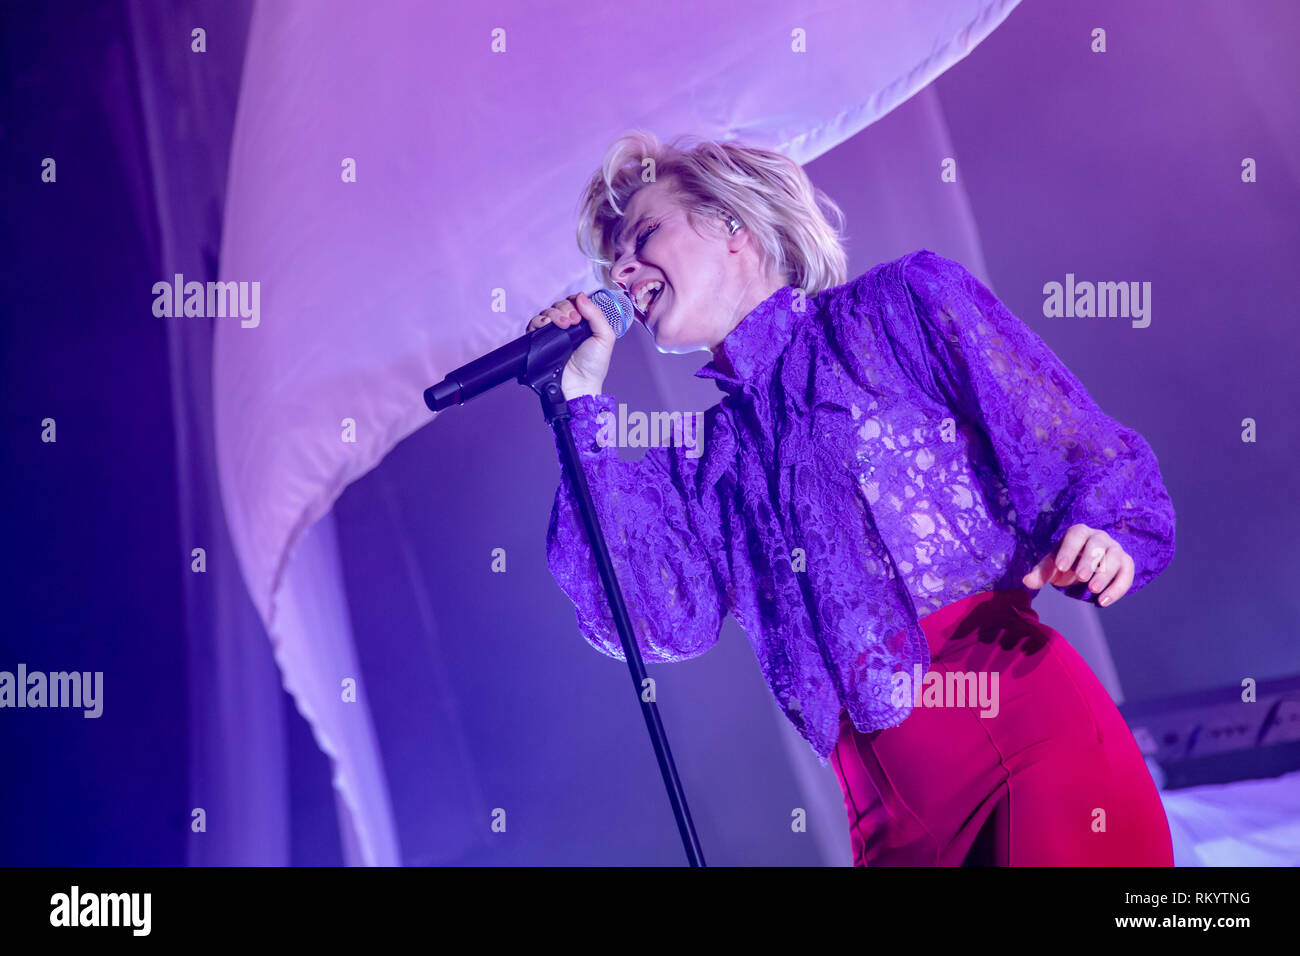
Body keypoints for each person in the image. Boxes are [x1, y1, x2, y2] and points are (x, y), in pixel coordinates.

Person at [528, 129, 1177, 866]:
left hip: (1023, 748)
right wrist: (578, 400)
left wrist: (1104, 532)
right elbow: (654, 619)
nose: (620, 267)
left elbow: (1082, 455)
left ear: (732, 223)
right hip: (882, 822)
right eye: (610, 255)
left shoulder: (896, 309)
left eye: (644, 232)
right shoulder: (700, 460)